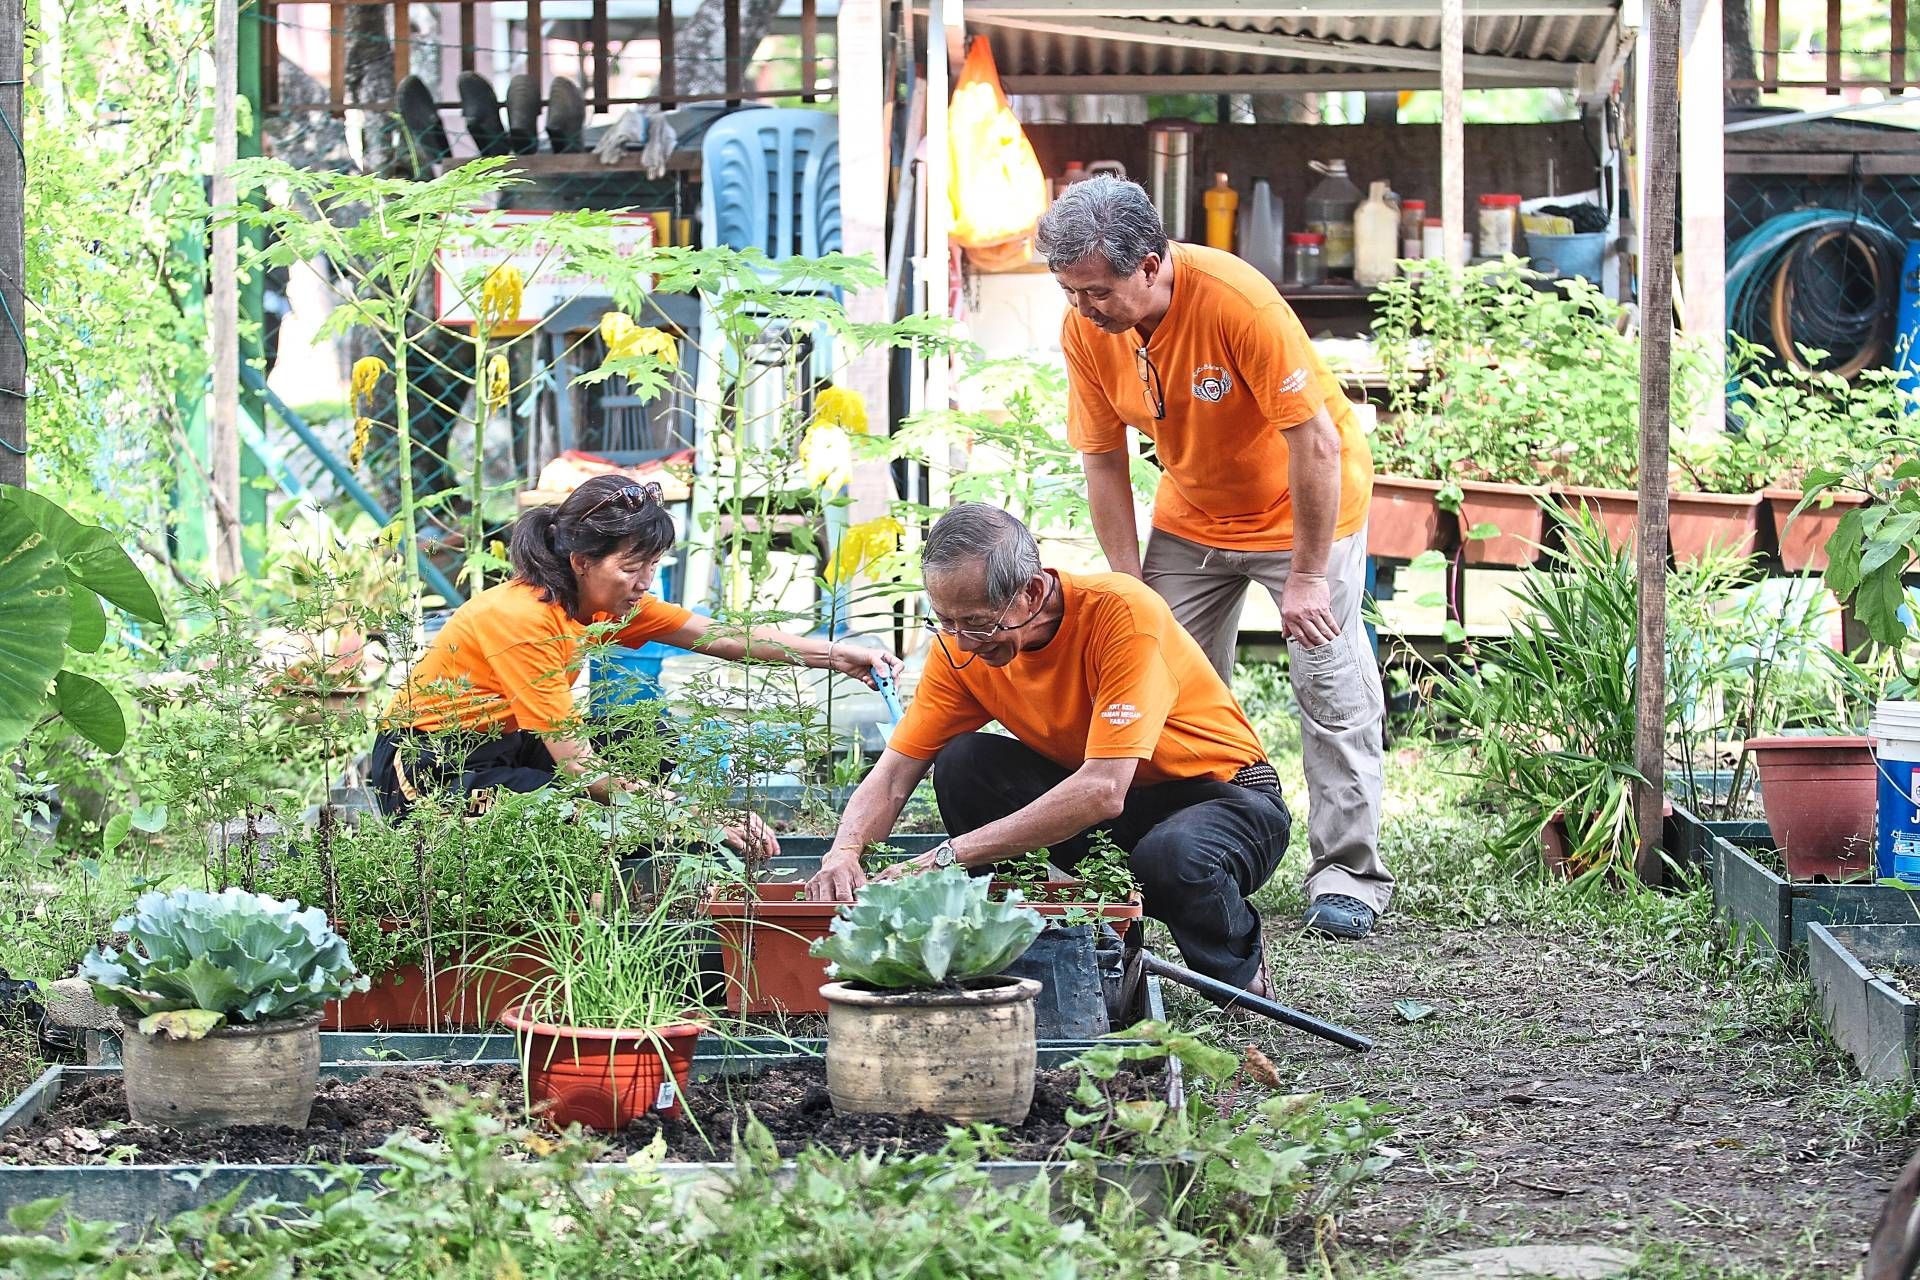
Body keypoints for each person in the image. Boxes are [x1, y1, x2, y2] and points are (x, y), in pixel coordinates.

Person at [1033, 175, 1391, 941]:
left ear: (1153, 264)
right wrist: (1129, 581)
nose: (1084, 309)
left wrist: (1303, 575)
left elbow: (1317, 442)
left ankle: (1348, 876)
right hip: (1193, 517)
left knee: (1329, 685)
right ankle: (1192, 853)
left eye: (1096, 291)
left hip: (1305, 513)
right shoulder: (1089, 330)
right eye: (1070, 293)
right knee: (1153, 685)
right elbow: (1102, 458)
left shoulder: (1237, 302)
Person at [806, 504, 1289, 997]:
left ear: (1032, 592)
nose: (961, 644)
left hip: (1224, 799)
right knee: (964, 764)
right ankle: (1030, 942)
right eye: (944, 622)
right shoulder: (959, 649)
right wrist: (844, 850)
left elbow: (1102, 790)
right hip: (1111, 802)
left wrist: (946, 856)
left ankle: (1240, 976)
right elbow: (893, 774)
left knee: (1171, 856)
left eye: (977, 623)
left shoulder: (1122, 614)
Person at [370, 473, 903, 858]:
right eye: (632, 566)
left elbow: (715, 636)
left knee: (642, 734)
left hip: (508, 745)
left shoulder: (599, 601)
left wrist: (839, 655)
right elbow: (582, 768)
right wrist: (696, 817)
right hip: (433, 766)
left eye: (653, 564)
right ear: (581, 562)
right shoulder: (521, 619)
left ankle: (628, 865)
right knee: (570, 812)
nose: (646, 582)